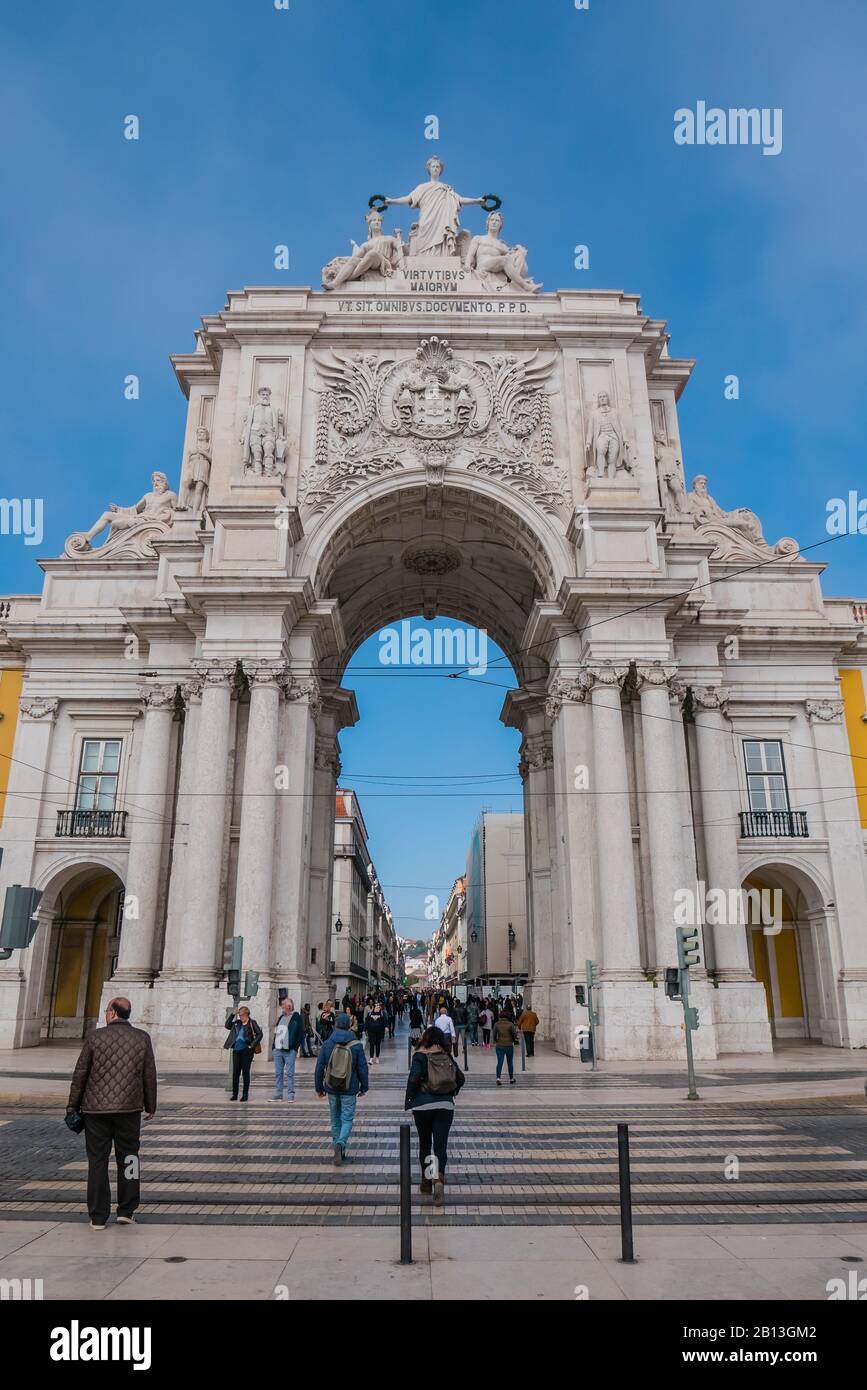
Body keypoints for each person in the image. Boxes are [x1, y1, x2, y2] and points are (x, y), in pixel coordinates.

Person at [66, 997, 157, 1230]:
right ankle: (127, 1210)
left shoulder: (95, 1037)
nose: (106, 1014)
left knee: (97, 1161)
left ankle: (97, 1216)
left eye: (107, 1010)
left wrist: (72, 1106)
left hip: (95, 1110)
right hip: (129, 1109)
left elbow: (80, 1074)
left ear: (114, 1013)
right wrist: (151, 1105)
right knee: (130, 1158)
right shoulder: (142, 1038)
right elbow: (149, 1074)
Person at [405, 1027, 465, 1205]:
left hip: (423, 1106)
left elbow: (414, 1078)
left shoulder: (420, 1055)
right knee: (440, 1145)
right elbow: (460, 1078)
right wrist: (451, 1092)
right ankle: (438, 1178)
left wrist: (410, 1097)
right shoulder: (445, 1055)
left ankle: (426, 1181)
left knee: (425, 1143)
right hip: (445, 1106)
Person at [315, 1012, 369, 1165]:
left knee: (335, 1119)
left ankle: (337, 1147)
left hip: (331, 1086)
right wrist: (364, 1087)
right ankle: (341, 1144)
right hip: (350, 1087)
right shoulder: (356, 1045)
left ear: (335, 1025)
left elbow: (319, 1067)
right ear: (349, 1026)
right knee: (347, 1118)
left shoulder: (327, 1043)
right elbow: (362, 1068)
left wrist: (319, 1087)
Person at [224, 1004, 263, 1101]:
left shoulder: (252, 1023)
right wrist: (233, 1014)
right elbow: (227, 1025)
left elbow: (260, 1034)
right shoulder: (237, 1023)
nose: (240, 1017)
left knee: (245, 1073)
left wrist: (252, 1045)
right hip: (236, 1050)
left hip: (247, 1051)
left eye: (242, 1015)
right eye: (239, 1015)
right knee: (235, 1073)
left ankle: (245, 1095)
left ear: (247, 1014)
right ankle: (235, 1094)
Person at [272, 996, 303, 1101]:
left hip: (289, 1050)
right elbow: (276, 1031)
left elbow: (300, 1034)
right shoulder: (281, 1017)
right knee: (278, 1073)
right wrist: (273, 1047)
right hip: (278, 1049)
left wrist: (295, 1048)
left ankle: (290, 1095)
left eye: (283, 1006)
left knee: (289, 1074)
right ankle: (278, 1094)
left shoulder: (296, 1017)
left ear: (289, 1007)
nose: (282, 1008)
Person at [493, 1009, 520, 1086]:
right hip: (509, 1046)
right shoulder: (511, 1024)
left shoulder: (496, 1024)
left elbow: (494, 1035)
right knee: (510, 1063)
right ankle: (511, 1079)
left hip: (499, 1046)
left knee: (500, 1062)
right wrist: (515, 1039)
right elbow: (514, 1035)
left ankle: (498, 1078)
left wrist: (496, 1041)